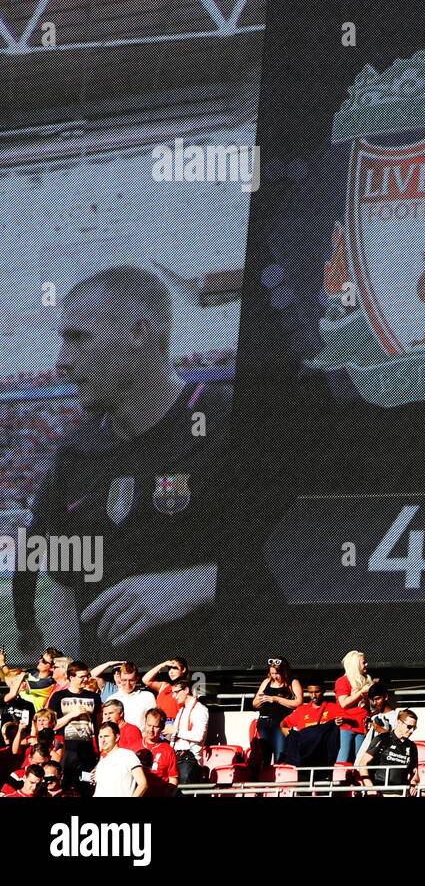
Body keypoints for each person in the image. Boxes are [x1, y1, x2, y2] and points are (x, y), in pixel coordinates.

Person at [12, 267, 227, 658]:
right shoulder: (74, 455)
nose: (62, 361)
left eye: (79, 339)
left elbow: (306, 556)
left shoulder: (229, 422)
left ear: (138, 334)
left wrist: (200, 583)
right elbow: (62, 589)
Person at [49, 663, 100, 788]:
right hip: (65, 748)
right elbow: (52, 726)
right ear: (71, 677)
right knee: (64, 784)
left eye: (87, 676)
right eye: (81, 677)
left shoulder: (94, 697)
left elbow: (98, 725)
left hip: (87, 749)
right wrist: (71, 715)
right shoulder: (58, 696)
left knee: (86, 785)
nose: (86, 679)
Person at [253, 658, 302, 766]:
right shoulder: (267, 682)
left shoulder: (292, 682)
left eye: (277, 673)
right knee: (264, 756)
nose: (274, 676)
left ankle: (279, 779)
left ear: (284, 671)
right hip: (264, 722)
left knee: (280, 754)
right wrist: (262, 699)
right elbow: (254, 703)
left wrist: (277, 699)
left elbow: (298, 702)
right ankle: (265, 779)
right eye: (272, 673)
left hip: (280, 722)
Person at [355, 710, 418, 794]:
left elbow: (415, 772)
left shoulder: (412, 746)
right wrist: (369, 787)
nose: (412, 731)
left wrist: (413, 784)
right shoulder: (383, 739)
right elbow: (363, 763)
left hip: (400, 793)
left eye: (414, 728)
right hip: (380, 792)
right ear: (399, 722)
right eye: (409, 727)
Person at [334, 651, 375, 764]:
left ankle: (358, 780)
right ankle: (339, 779)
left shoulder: (366, 680)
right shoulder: (343, 681)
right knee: (344, 755)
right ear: (355, 665)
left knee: (360, 758)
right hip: (347, 725)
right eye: (363, 662)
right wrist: (361, 692)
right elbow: (343, 703)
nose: (366, 664)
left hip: (362, 726)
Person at [166, 679, 208, 784]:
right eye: (172, 693)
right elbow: (176, 735)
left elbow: (199, 736)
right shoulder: (181, 710)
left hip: (189, 759)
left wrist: (176, 731)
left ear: (186, 690)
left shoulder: (200, 709)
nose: (174, 696)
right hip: (177, 757)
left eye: (176, 692)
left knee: (184, 793)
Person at [91, 722, 147, 797]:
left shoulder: (128, 755)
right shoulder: (101, 763)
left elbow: (143, 784)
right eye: (100, 737)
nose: (103, 740)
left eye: (106, 736)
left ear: (117, 737)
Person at [139, 708, 178, 787]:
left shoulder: (168, 750)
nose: (151, 730)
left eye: (155, 727)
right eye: (149, 725)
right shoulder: (134, 746)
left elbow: (173, 779)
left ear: (162, 727)